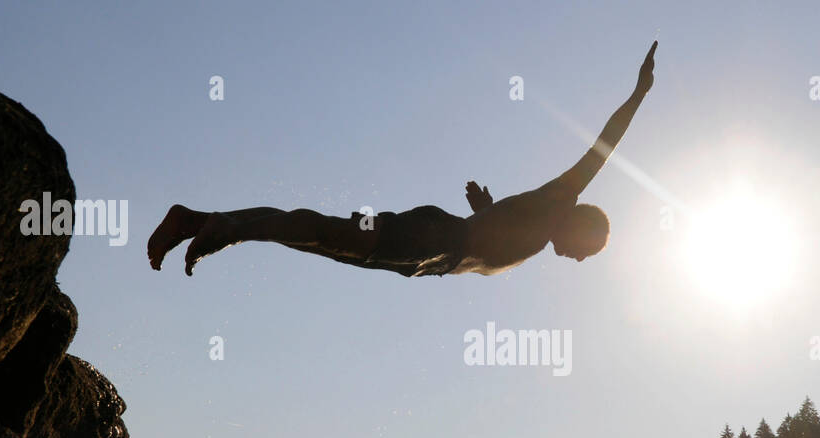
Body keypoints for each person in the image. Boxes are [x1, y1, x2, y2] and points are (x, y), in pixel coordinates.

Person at [148, 41, 657, 278]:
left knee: (321, 240)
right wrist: (638, 94)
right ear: (581, 225)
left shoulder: (541, 228)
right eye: (586, 250)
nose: (579, 260)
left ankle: (201, 221)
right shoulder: (562, 199)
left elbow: (495, 230)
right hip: (427, 237)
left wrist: (487, 207)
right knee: (323, 232)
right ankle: (218, 226)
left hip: (426, 247)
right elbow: (602, 149)